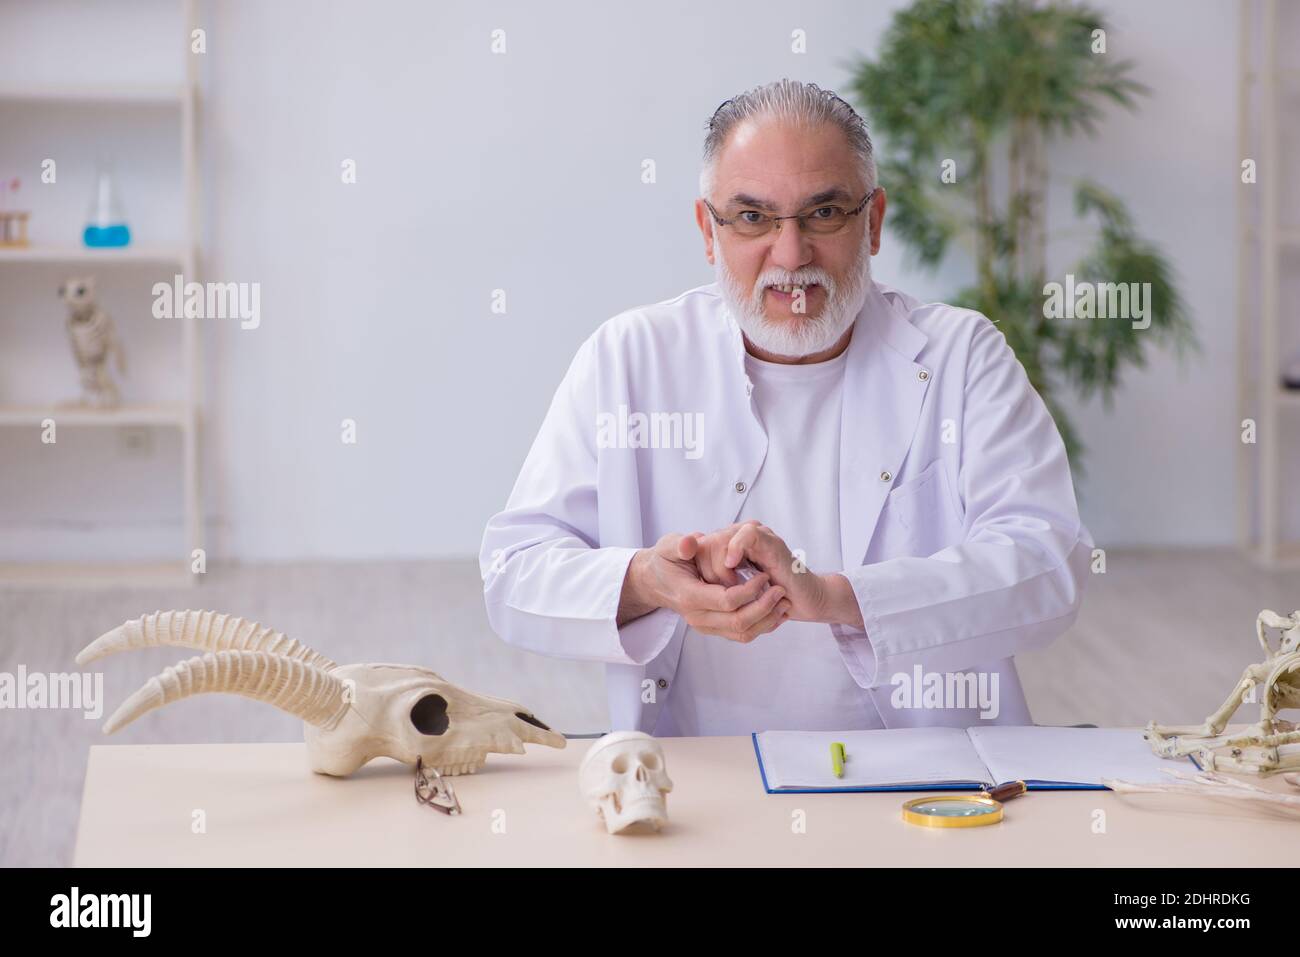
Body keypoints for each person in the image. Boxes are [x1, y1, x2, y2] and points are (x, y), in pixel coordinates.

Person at [480, 79, 1093, 736]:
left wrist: (836, 598)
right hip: (698, 775)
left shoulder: (962, 355)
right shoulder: (630, 357)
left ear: (874, 222)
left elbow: (1048, 562)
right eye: (753, 218)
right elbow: (517, 572)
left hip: (935, 774)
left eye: (823, 213)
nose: (791, 254)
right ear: (708, 232)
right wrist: (648, 580)